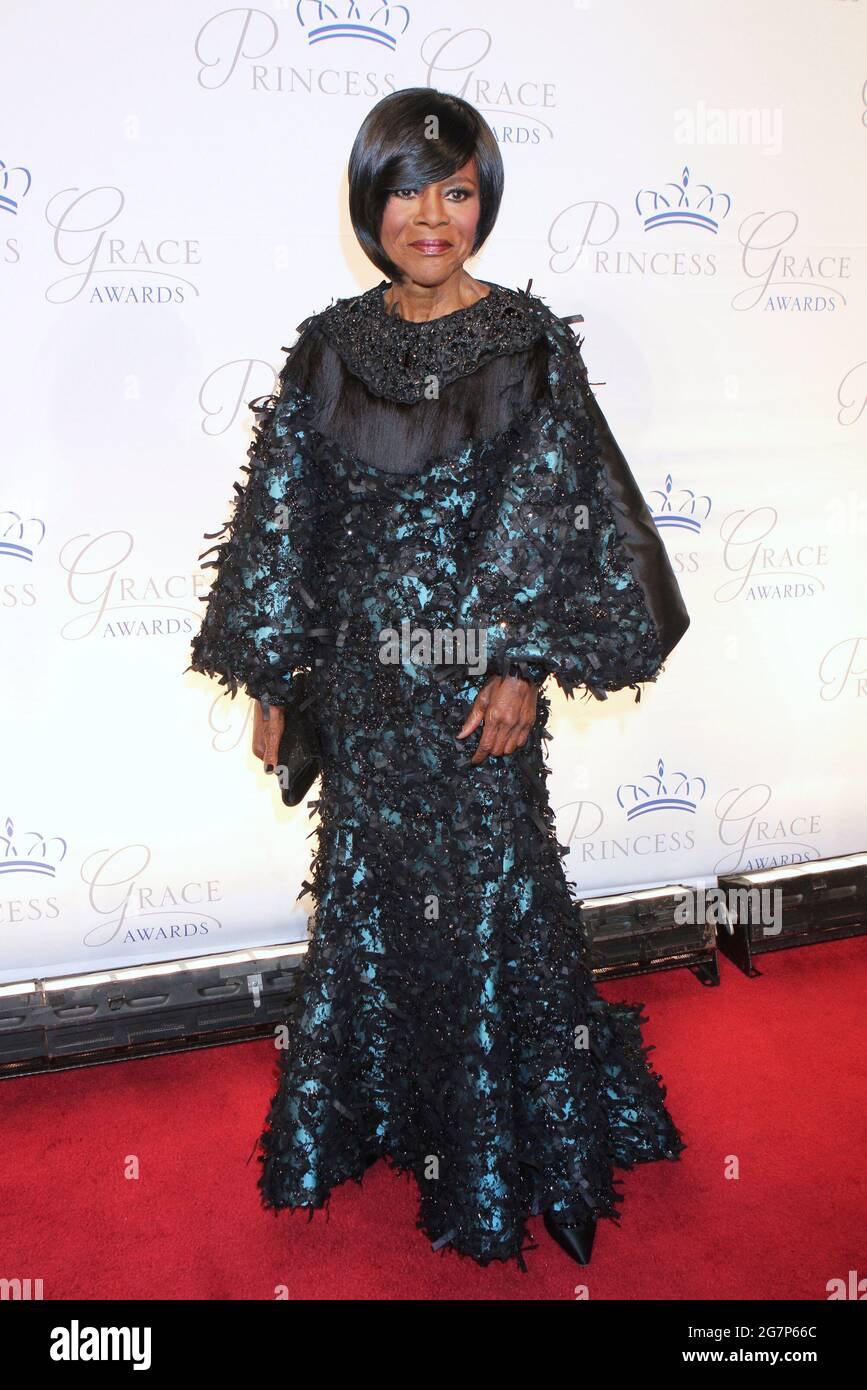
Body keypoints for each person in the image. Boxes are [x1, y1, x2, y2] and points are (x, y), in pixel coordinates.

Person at [186, 87, 691, 1271]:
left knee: (493, 897)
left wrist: (521, 662)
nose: (431, 214)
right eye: (407, 187)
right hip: (364, 691)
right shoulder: (328, 345)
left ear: (485, 202)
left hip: (474, 693)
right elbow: (283, 519)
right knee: (369, 895)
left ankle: (508, 1140)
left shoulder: (526, 341)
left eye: (456, 189)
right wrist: (273, 677)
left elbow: (553, 516)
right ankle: (389, 1112)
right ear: (370, 201)